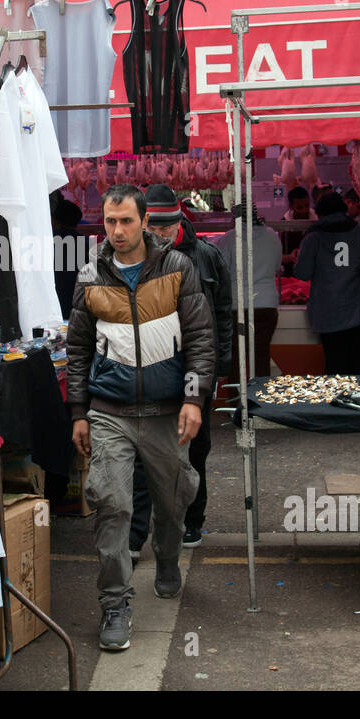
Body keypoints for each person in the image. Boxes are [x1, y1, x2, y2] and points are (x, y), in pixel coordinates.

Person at [67, 184, 215, 651]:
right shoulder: (90, 275)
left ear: (145, 221)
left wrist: (193, 399)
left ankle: (168, 558)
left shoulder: (178, 268)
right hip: (109, 411)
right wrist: (78, 411)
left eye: (126, 221)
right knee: (112, 504)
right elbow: (77, 350)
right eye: (110, 221)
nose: (117, 231)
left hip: (167, 411)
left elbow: (201, 337)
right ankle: (114, 603)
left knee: (172, 501)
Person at [126, 185, 232, 556]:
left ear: (179, 222)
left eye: (166, 228)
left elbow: (223, 313)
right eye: (153, 229)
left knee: (194, 449)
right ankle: (136, 534)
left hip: (194, 368)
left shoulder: (207, 256)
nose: (160, 235)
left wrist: (220, 366)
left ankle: (191, 521)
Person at [292, 192, 360, 375]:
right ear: (344, 211)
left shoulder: (313, 238)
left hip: (327, 315)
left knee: (335, 368)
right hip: (359, 313)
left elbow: (302, 273)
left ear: (320, 214)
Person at [215, 207, 281, 379]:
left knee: (236, 359)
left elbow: (221, 271)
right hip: (266, 305)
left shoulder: (229, 238)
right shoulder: (272, 236)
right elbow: (276, 266)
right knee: (261, 356)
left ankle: (237, 395)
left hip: (238, 306)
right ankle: (260, 394)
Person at [280, 186, 311, 276]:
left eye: (307, 206)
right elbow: (277, 257)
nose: (304, 210)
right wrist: (290, 257)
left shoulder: (317, 219)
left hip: (313, 274)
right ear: (291, 206)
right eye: (299, 207)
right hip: (291, 274)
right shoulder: (283, 224)